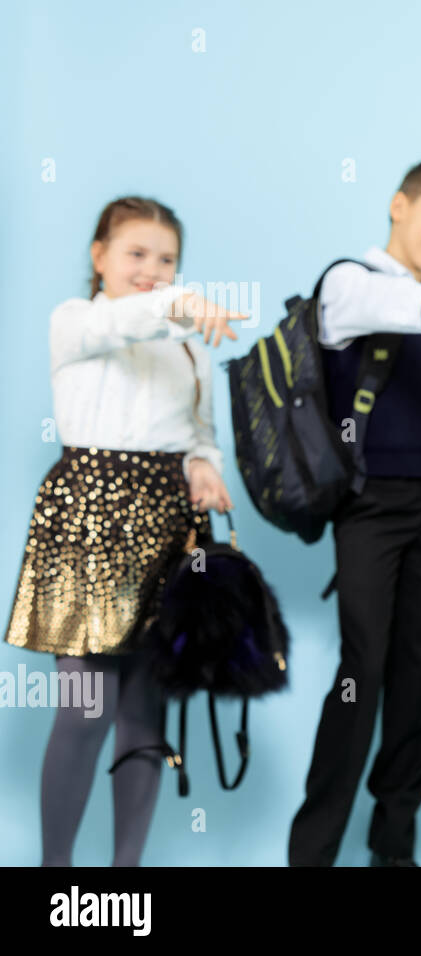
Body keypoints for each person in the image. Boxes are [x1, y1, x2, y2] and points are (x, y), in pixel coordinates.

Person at [5, 196, 242, 865]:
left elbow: (201, 433)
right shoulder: (75, 321)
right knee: (83, 711)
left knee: (146, 714)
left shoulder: (188, 344)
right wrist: (181, 301)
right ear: (99, 255)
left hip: (171, 524)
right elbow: (125, 322)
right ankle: (57, 878)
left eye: (167, 260)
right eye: (137, 253)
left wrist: (204, 468)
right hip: (88, 521)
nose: (152, 269)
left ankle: (124, 879)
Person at [287, 160, 421, 867]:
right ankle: (312, 853)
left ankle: (393, 849)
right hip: (371, 505)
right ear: (399, 205)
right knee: (360, 670)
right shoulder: (349, 280)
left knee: (417, 673)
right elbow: (366, 305)